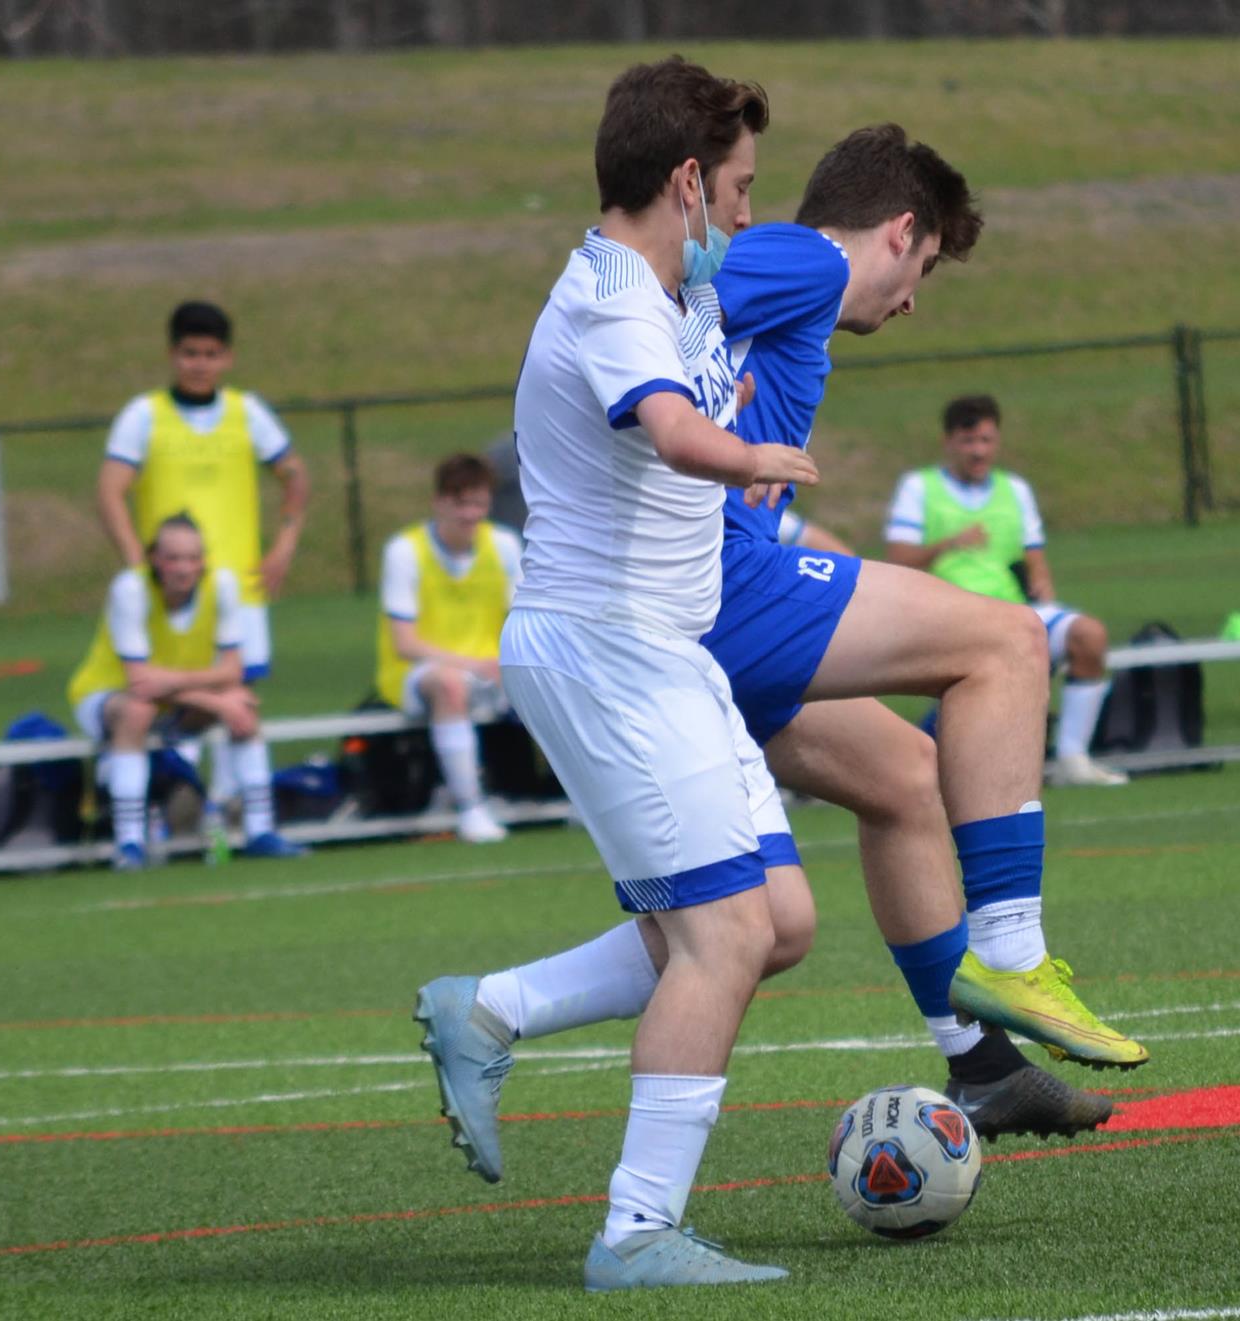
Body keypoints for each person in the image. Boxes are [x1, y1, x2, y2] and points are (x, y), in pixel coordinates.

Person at [411, 57, 817, 1292]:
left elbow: (687, 409)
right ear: (686, 182)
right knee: (720, 937)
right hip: (603, 654)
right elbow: (671, 428)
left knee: (779, 925)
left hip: (661, 654)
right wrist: (751, 451)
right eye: (740, 188)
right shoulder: (610, 302)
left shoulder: (667, 285)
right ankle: (635, 1232)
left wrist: (736, 438)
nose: (750, 212)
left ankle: (490, 1009)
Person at [698, 124, 1148, 1094]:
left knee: (903, 775)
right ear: (898, 230)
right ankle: (1012, 953)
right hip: (717, 596)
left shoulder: (788, 291)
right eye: (925, 269)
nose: (909, 302)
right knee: (1007, 638)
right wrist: (679, 404)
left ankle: (981, 1068)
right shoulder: (808, 259)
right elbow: (652, 324)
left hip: (695, 597)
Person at [94, 301, 312, 803]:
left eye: (211, 354)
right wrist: (136, 563)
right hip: (172, 594)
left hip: (238, 588)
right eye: (190, 353)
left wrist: (284, 543)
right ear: (172, 354)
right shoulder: (144, 415)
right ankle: (176, 802)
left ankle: (230, 811)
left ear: (228, 358)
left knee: (238, 701)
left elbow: (294, 474)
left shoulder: (246, 411)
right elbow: (110, 490)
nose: (200, 364)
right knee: (172, 701)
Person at [886, 394, 1129, 787]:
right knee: (989, 675)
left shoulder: (1014, 489)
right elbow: (898, 558)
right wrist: (948, 543)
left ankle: (1072, 759)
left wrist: (1043, 588)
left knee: (1088, 635)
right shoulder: (920, 487)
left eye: (986, 441)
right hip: (948, 614)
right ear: (949, 443)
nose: (978, 451)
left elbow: (1035, 556)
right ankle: (925, 756)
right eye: (968, 442)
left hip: (1011, 611)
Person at [65, 514, 306, 869]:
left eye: (193, 558)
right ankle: (129, 843)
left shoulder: (222, 585)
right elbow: (139, 682)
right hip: (105, 694)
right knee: (139, 710)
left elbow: (232, 669)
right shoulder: (130, 590)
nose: (184, 568)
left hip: (170, 699)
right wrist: (214, 699)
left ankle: (261, 830)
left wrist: (203, 693)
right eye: (174, 558)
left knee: (243, 704)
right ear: (155, 560)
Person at [375, 453, 523, 844]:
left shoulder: (504, 544)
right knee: (450, 684)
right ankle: (470, 806)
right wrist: (473, 663)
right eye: (461, 503)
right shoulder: (405, 551)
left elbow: (523, 618)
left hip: (490, 668)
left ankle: (572, 797)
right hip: (417, 674)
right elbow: (404, 643)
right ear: (438, 502)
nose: (471, 514)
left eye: (479, 503)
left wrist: (505, 663)